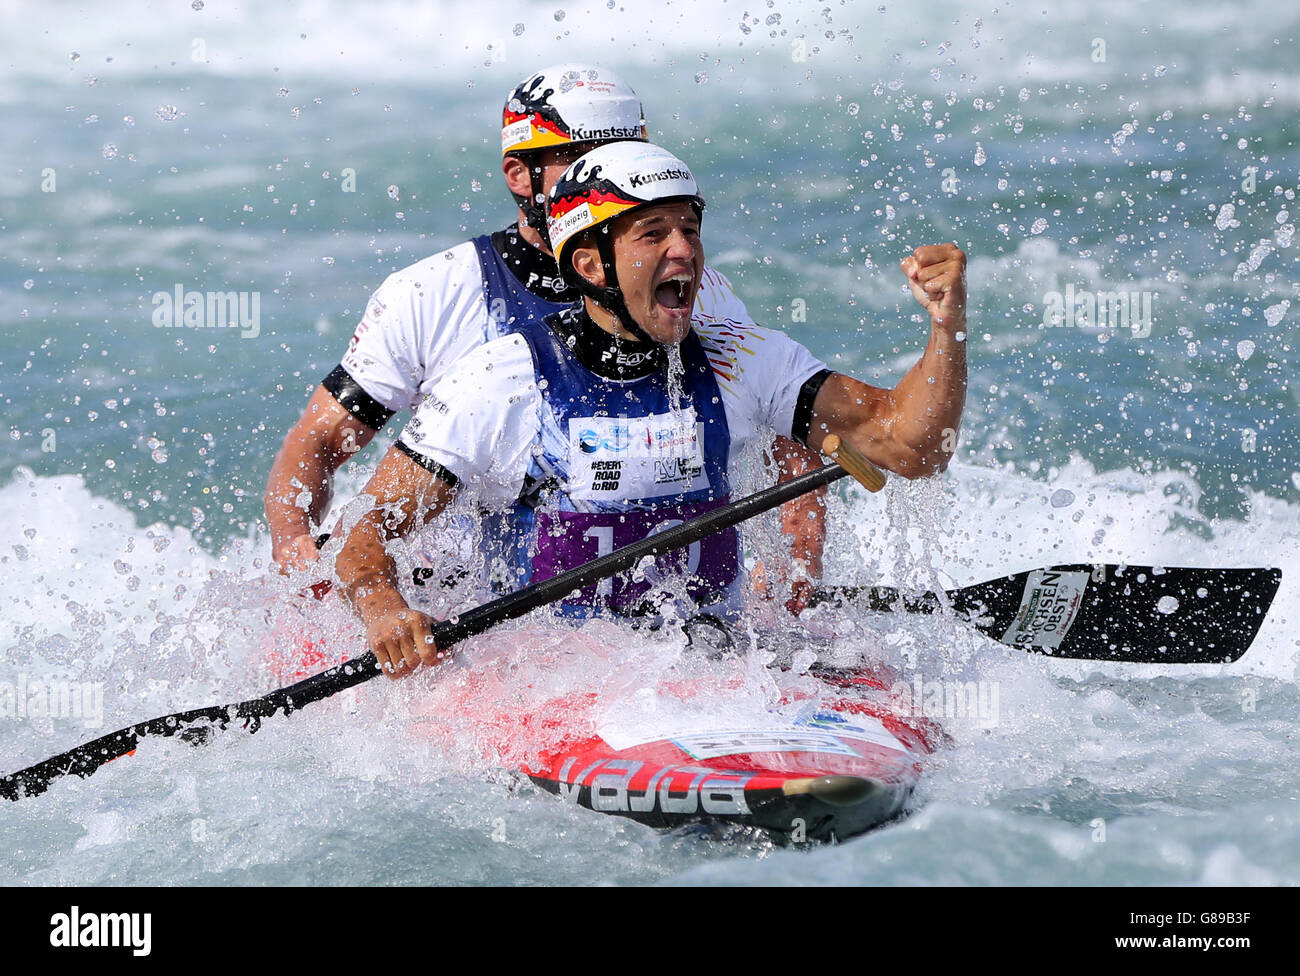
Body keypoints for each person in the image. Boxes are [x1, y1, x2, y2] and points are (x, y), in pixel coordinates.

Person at [335, 142, 968, 677]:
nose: (686, 252)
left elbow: (909, 448)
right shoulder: (500, 382)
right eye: (653, 234)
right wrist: (382, 603)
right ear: (590, 263)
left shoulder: (740, 360)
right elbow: (363, 533)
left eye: (690, 231)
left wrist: (946, 326)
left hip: (719, 668)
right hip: (552, 679)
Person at [263, 64, 827, 611]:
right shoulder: (433, 292)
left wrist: (798, 553)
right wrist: (298, 553)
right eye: (582, 157)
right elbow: (317, 444)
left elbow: (783, 420)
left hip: (663, 603)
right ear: (518, 175)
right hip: (470, 604)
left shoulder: (697, 291)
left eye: (624, 152)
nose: (610, 172)